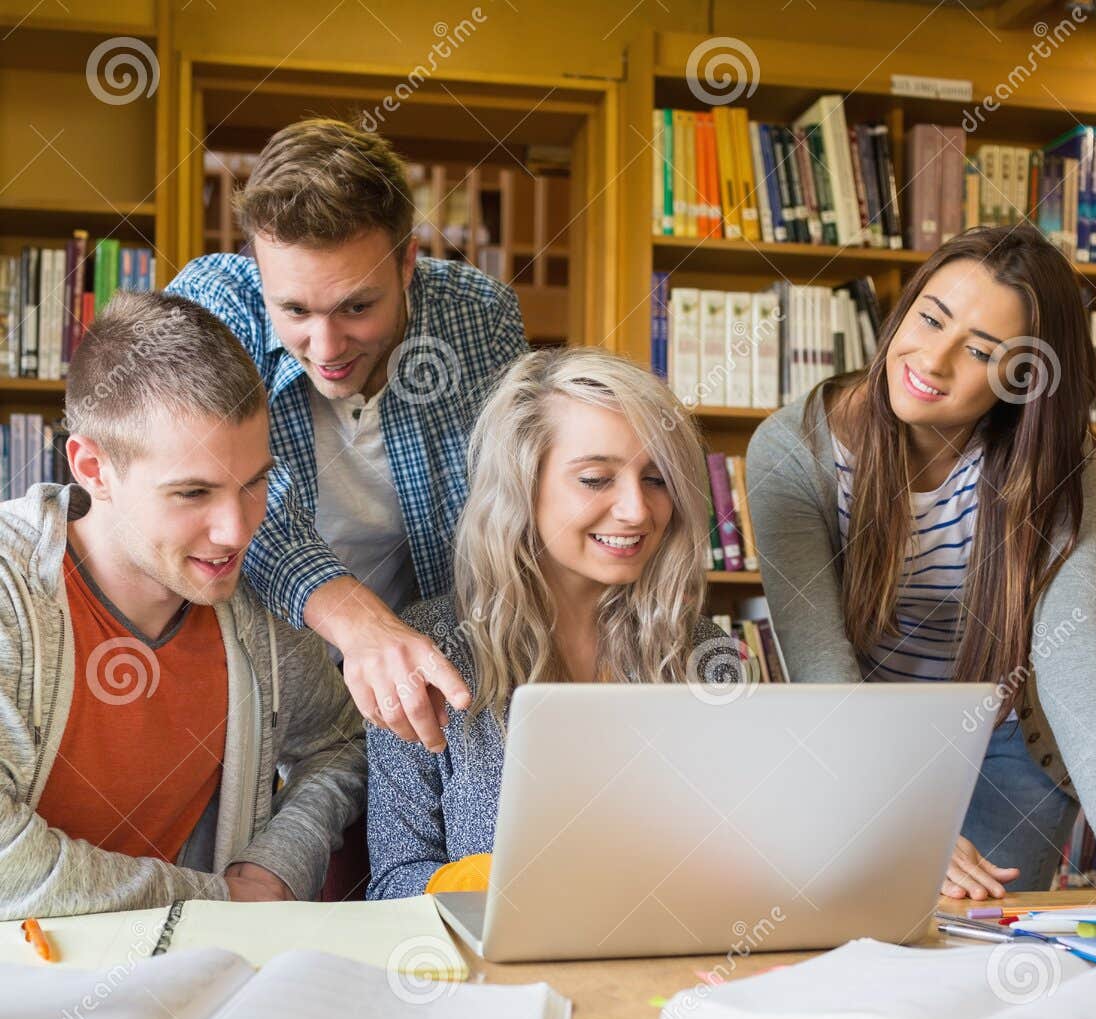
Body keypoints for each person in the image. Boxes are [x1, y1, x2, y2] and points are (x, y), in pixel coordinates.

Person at [746, 222, 1096, 899]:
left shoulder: (1047, 458)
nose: (932, 361)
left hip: (1003, 753)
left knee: (981, 958)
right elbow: (820, 666)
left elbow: (1071, 644)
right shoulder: (791, 451)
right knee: (861, 945)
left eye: (980, 352)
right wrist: (897, 819)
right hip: (857, 751)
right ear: (904, 307)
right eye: (930, 319)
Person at [0, 291, 365, 920]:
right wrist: (221, 899)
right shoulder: (11, 593)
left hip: (187, 973)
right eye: (193, 493)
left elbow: (339, 743)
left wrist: (277, 864)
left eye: (254, 484)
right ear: (93, 467)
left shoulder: (256, 604)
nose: (236, 530)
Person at [169, 117, 531, 751]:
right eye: (296, 311)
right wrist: (357, 622)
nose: (327, 347)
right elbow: (211, 489)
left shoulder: (480, 316)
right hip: (251, 686)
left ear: (409, 260)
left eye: (358, 307)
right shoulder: (213, 303)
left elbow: (513, 505)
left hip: (431, 688)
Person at [365, 347, 743, 899]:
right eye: (595, 479)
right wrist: (505, 884)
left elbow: (741, 858)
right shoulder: (430, 651)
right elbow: (393, 883)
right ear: (522, 484)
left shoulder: (706, 653)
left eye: (657, 479)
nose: (637, 510)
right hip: (494, 979)